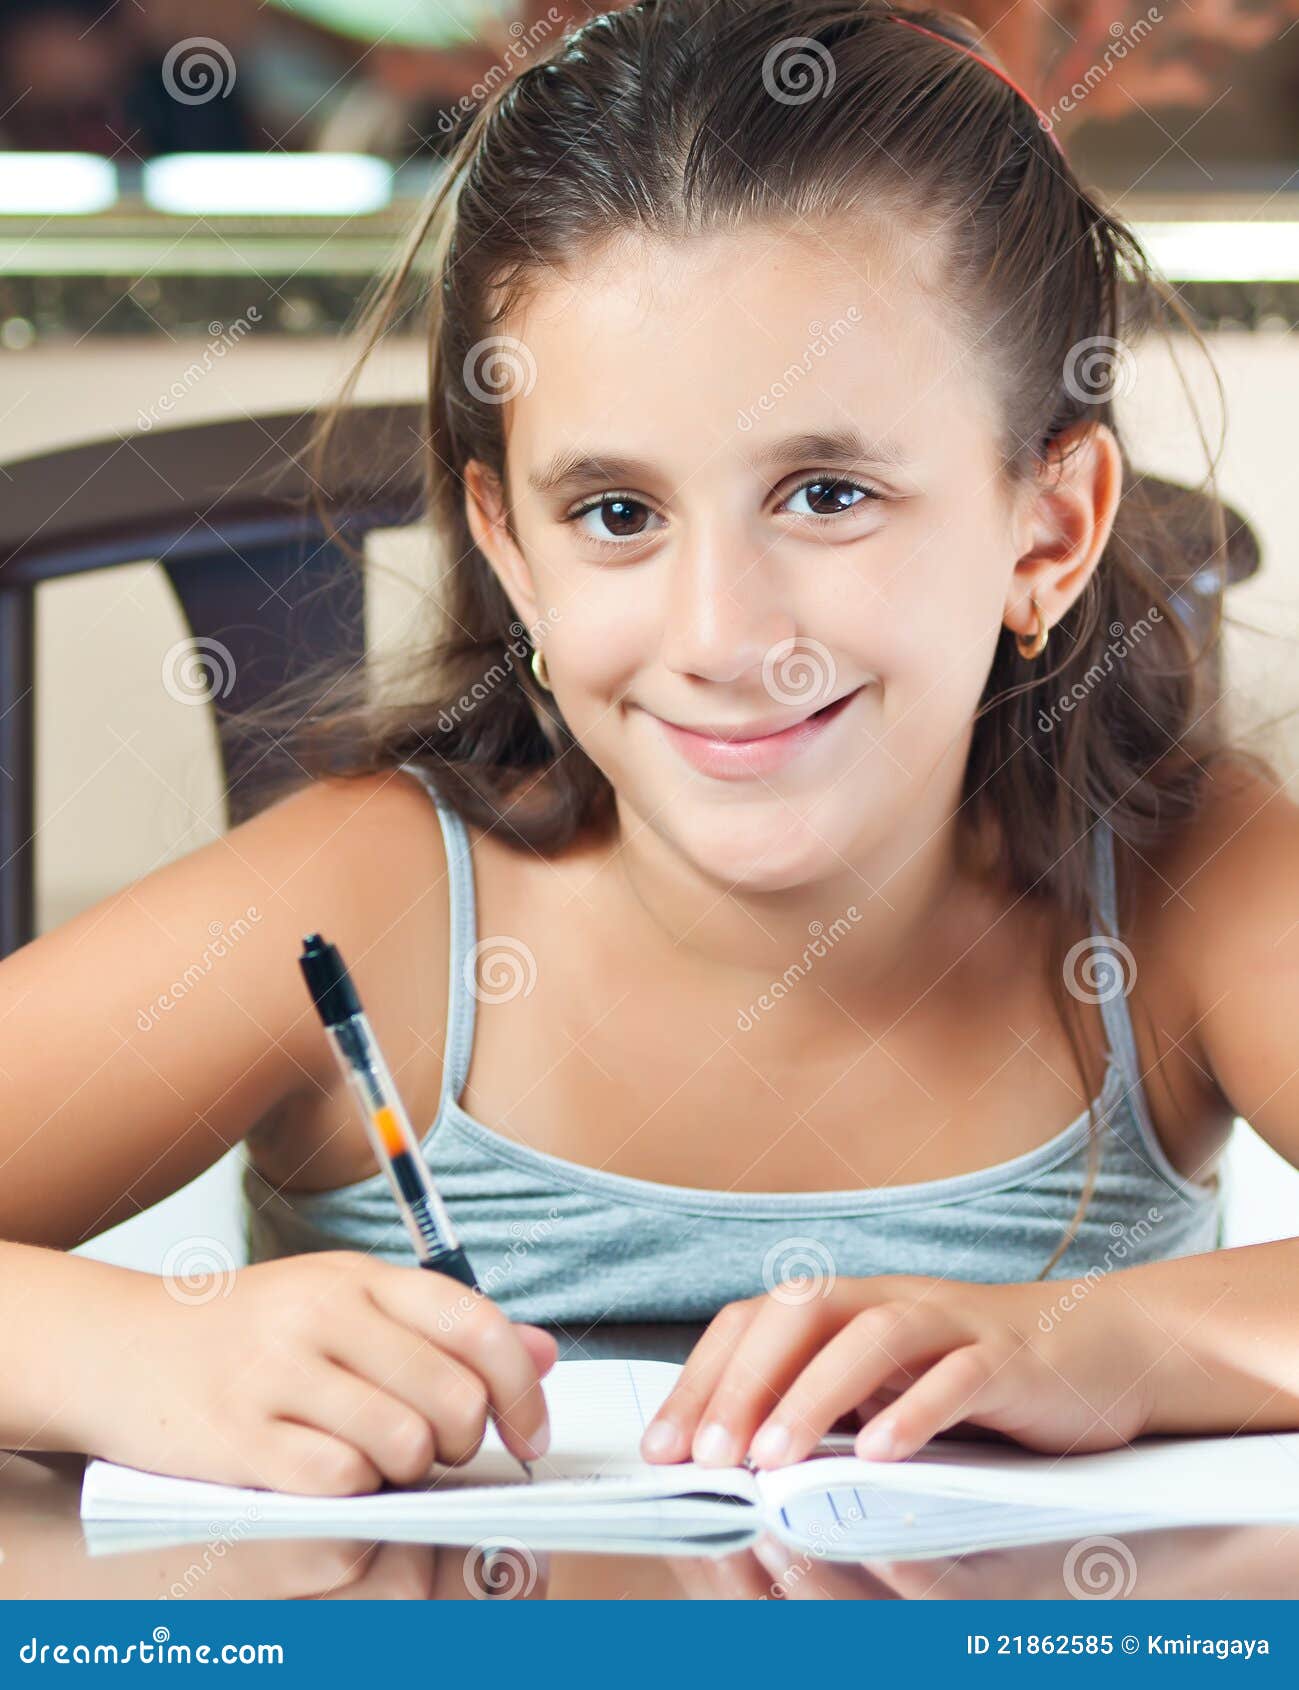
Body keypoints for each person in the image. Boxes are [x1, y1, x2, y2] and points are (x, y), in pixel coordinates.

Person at [3, 0, 1297, 1496]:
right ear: (512, 548)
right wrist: (123, 1350)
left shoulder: (1179, 886)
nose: (720, 635)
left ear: (1048, 527)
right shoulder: (371, 910)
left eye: (826, 494)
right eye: (616, 515)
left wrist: (1113, 1343)